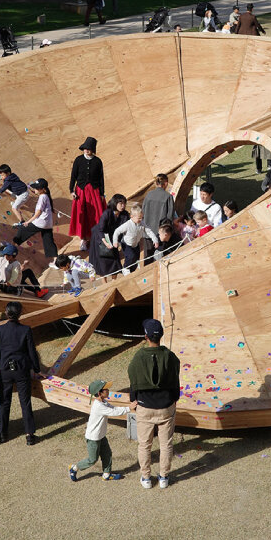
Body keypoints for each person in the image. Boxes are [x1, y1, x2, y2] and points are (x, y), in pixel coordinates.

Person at [128, 319, 180, 489]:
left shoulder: (138, 358)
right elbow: (175, 380)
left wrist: (133, 400)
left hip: (144, 406)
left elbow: (133, 382)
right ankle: (164, 477)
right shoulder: (170, 356)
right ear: (161, 336)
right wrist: (173, 399)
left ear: (146, 336)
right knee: (166, 444)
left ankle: (146, 478)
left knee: (144, 445)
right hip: (166, 406)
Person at [0, 302, 44, 445]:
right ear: (20, 313)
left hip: (5, 370)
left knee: (4, 402)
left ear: (6, 313)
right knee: (25, 402)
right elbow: (32, 352)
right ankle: (29, 435)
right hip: (22, 370)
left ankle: (2, 433)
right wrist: (37, 370)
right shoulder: (25, 330)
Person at [68, 380, 130, 482]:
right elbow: (113, 412)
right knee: (92, 460)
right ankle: (74, 467)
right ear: (99, 393)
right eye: (106, 389)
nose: (108, 390)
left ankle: (106, 474)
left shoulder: (104, 402)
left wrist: (128, 406)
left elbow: (114, 408)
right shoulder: (99, 406)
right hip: (93, 438)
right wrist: (128, 408)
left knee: (107, 454)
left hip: (101, 435)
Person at [69, 136, 105, 248]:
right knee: (82, 214)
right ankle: (83, 239)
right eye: (85, 148)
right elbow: (73, 176)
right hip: (81, 191)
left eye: (88, 148)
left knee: (95, 215)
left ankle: (96, 237)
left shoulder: (98, 161)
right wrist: (71, 190)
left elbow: (101, 179)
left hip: (94, 191)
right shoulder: (78, 160)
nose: (86, 150)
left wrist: (102, 193)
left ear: (93, 149)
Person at [13, 178, 57, 259]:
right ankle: (55, 259)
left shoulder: (42, 197)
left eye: (36, 188)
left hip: (41, 222)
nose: (35, 189)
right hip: (48, 224)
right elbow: (36, 193)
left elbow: (38, 212)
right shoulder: (45, 195)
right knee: (48, 241)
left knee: (23, 229)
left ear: (43, 189)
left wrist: (28, 222)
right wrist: (30, 188)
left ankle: (13, 247)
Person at [89, 194, 128, 278]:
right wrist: (105, 243)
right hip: (100, 237)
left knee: (115, 262)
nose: (123, 206)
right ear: (115, 203)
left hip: (113, 239)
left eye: (124, 203)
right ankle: (105, 284)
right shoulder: (107, 213)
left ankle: (114, 281)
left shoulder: (125, 215)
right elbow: (100, 229)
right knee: (102, 263)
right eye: (120, 203)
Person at [112, 203, 157, 272]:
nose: (140, 219)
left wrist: (155, 240)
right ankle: (125, 268)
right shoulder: (127, 225)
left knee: (136, 259)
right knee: (130, 256)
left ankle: (132, 270)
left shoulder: (142, 223)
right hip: (126, 244)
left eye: (142, 218)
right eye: (139, 218)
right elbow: (117, 231)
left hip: (135, 244)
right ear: (132, 216)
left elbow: (149, 231)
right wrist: (115, 241)